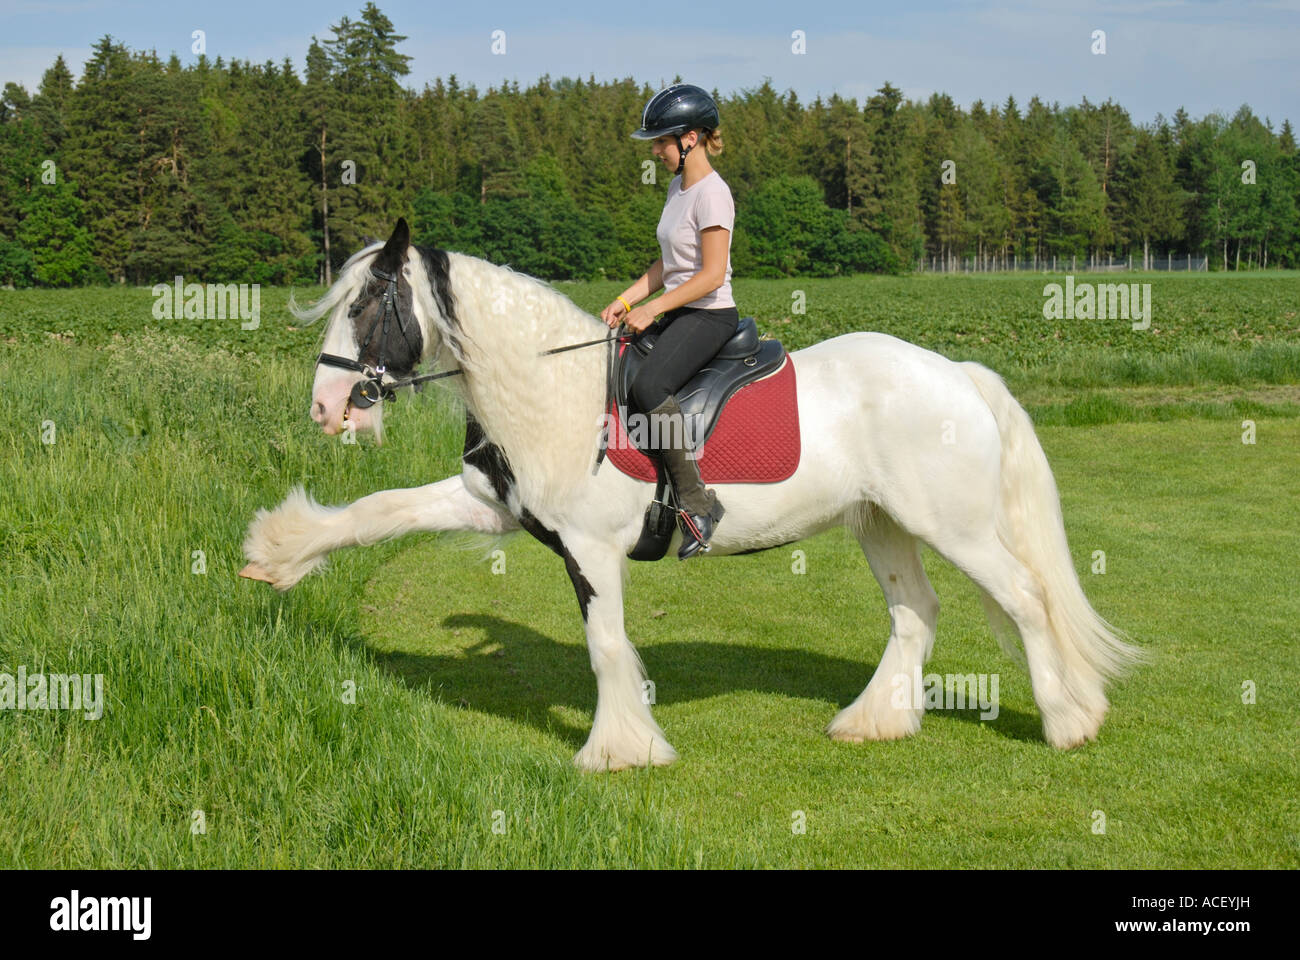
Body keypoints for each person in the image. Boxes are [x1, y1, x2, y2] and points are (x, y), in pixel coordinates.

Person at [600, 83, 739, 560]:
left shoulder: (713, 195)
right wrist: (626, 299)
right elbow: (667, 265)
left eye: (662, 141)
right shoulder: (677, 188)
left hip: (709, 314)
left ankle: (699, 506)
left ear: (692, 139)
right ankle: (649, 504)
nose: (656, 150)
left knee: (650, 386)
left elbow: (710, 275)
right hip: (680, 306)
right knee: (620, 366)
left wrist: (654, 308)